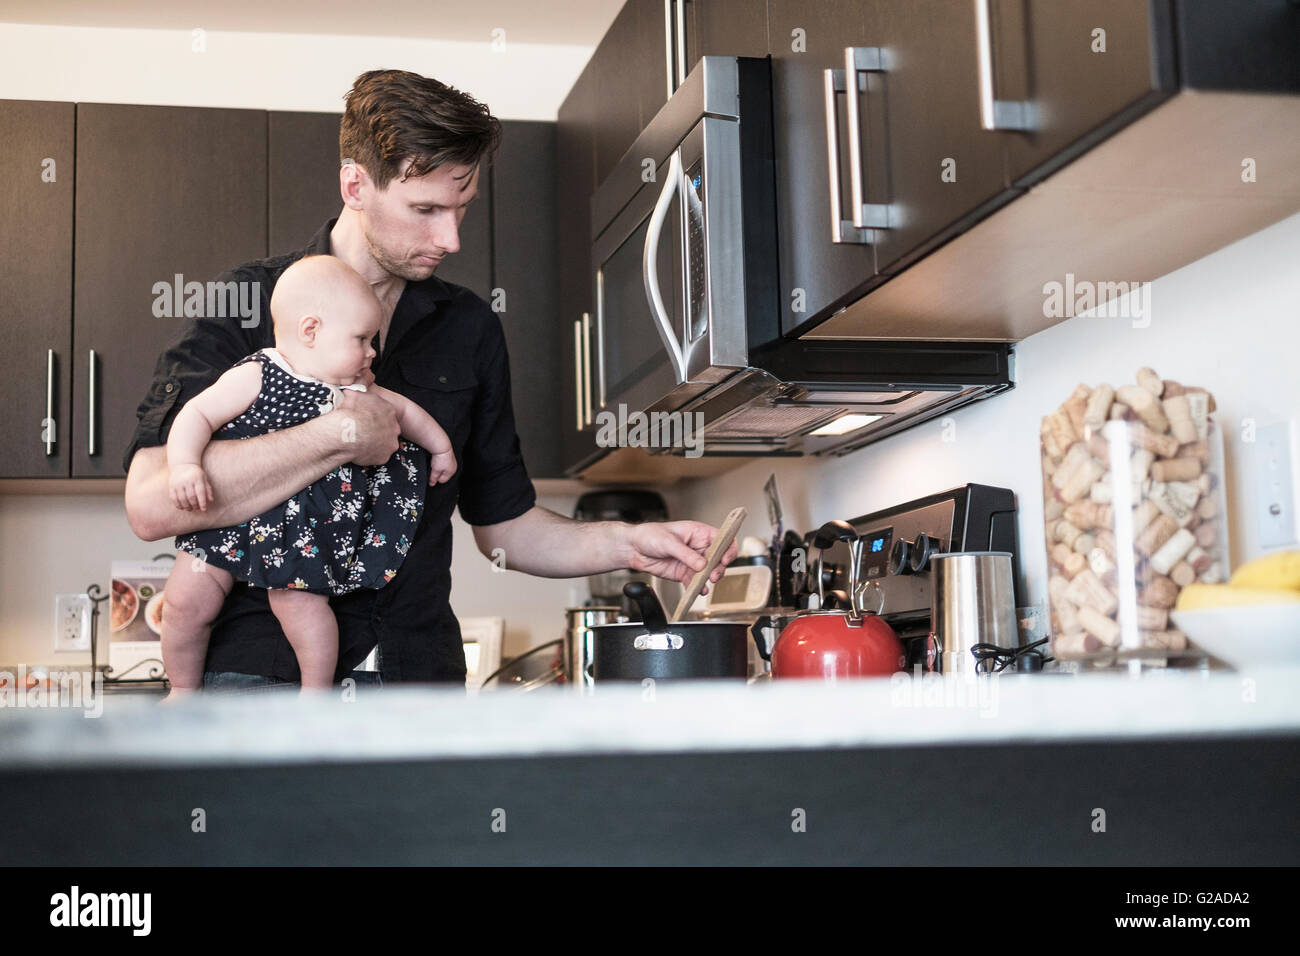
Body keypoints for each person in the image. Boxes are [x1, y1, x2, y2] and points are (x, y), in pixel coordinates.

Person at [122, 68, 736, 692]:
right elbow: (150, 504)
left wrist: (629, 545)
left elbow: (505, 526)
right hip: (260, 682)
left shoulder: (468, 326)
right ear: (354, 184)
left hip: (418, 677)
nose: (450, 238)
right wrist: (336, 434)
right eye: (425, 210)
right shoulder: (250, 302)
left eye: (462, 209)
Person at [158, 255, 457, 700]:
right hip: (234, 521)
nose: (372, 352)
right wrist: (185, 465)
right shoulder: (257, 374)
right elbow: (196, 414)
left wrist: (441, 447)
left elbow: (408, 414)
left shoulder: (359, 387)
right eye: (362, 339)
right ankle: (182, 689)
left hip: (302, 531)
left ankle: (316, 694)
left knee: (302, 607)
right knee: (184, 600)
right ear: (311, 331)